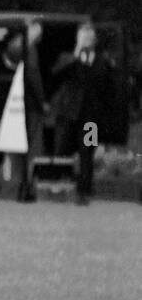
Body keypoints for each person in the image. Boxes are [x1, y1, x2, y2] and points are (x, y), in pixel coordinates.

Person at [50, 22, 117, 205]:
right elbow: (56, 75)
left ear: (94, 40)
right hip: (68, 114)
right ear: (78, 39)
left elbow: (110, 89)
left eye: (89, 37)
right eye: (83, 37)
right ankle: (55, 184)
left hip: (91, 118)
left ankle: (84, 190)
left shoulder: (103, 61)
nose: (87, 40)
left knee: (87, 151)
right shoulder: (67, 58)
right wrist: (76, 54)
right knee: (61, 148)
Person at [0, 23, 49, 202]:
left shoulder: (13, 51)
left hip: (16, 109)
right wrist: (42, 102)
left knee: (17, 149)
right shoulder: (30, 51)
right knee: (32, 149)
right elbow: (34, 78)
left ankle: (17, 186)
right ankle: (27, 187)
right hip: (30, 108)